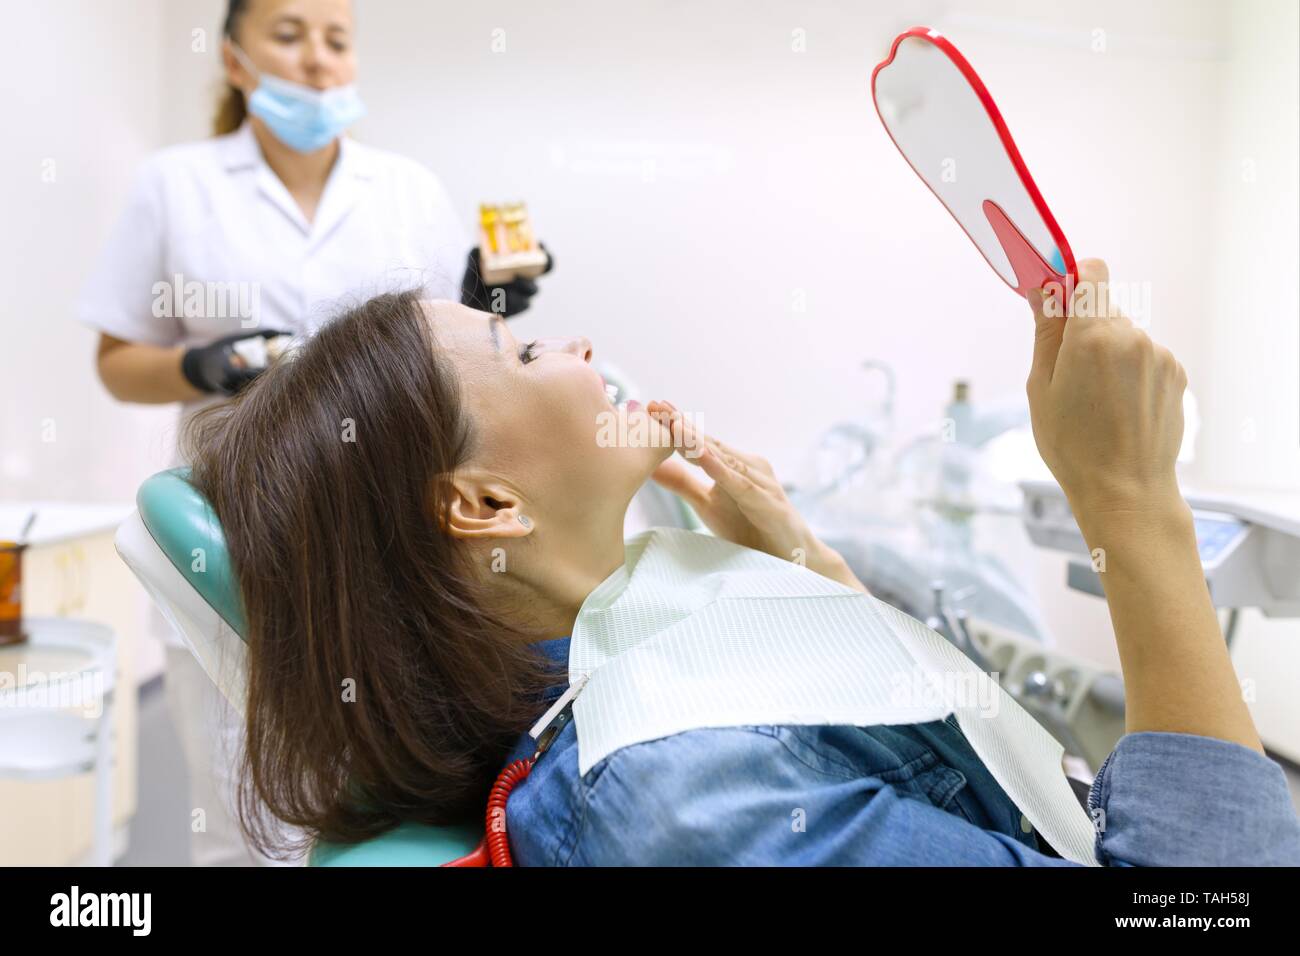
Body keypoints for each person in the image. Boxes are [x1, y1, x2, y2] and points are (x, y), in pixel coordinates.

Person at [182, 260, 1300, 865]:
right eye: (521, 348)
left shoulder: (658, 666)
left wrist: (809, 569)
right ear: (484, 503)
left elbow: (973, 791)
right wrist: (1134, 504)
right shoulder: (678, 789)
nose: (573, 344)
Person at [79, 0, 549, 865]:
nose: (317, 60)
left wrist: (494, 297)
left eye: (337, 40)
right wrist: (198, 369)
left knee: (374, 795)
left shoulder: (406, 188)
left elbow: (456, 343)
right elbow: (115, 359)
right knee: (234, 812)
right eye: (287, 34)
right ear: (233, 58)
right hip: (234, 522)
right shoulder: (175, 184)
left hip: (390, 523)